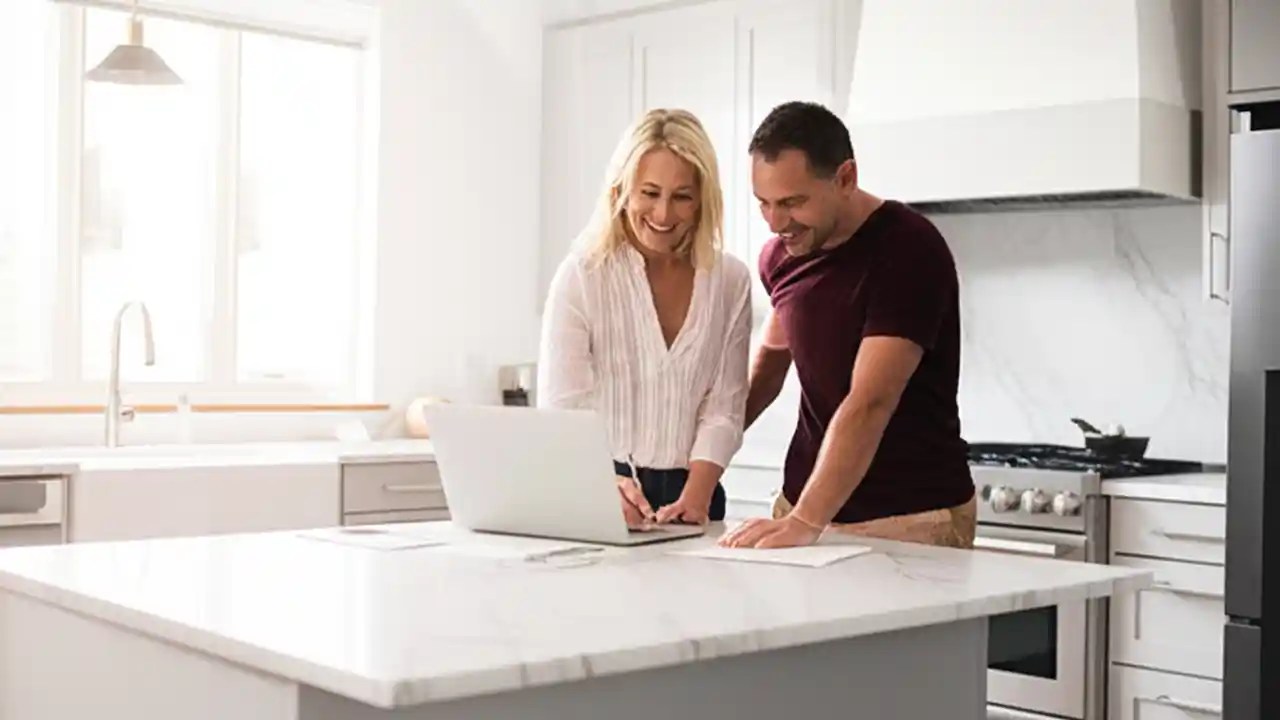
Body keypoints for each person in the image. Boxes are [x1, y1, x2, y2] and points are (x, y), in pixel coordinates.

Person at [719, 101, 976, 550]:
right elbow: (767, 373)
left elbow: (871, 401)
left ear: (845, 178)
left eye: (793, 202)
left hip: (910, 519)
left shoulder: (909, 250)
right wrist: (699, 464)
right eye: (765, 204)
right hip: (802, 510)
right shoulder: (781, 258)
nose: (777, 223)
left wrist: (806, 520)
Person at [538, 108, 752, 528]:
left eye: (682, 196)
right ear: (622, 191)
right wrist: (604, 484)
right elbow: (563, 407)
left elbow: (724, 407)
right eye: (649, 193)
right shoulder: (583, 274)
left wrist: (697, 495)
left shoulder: (730, 281)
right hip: (601, 490)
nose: (663, 214)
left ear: (703, 198)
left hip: (698, 495)